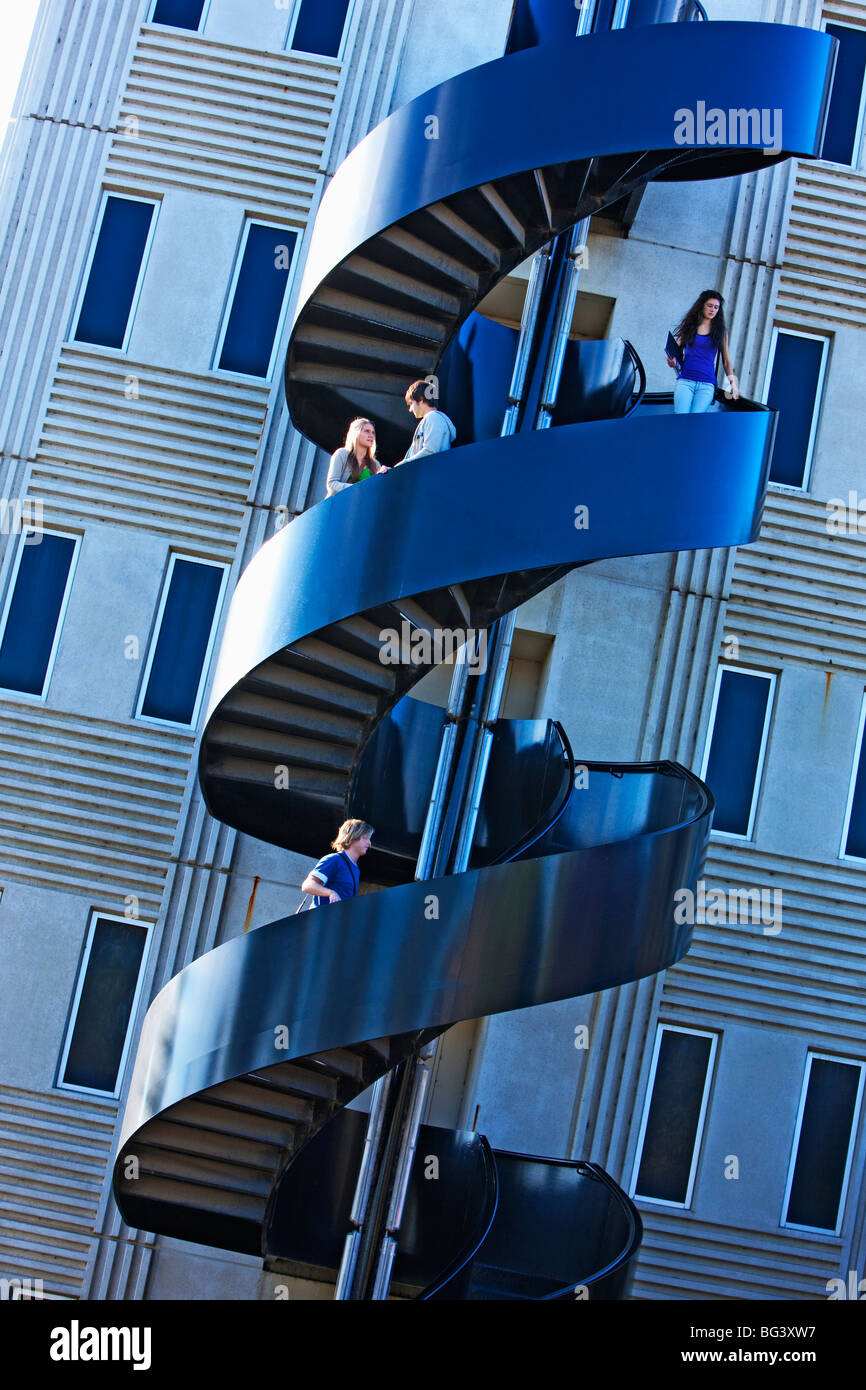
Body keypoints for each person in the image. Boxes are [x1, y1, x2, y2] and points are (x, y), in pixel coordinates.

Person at [666, 289, 739, 413]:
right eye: (709, 306)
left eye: (716, 307)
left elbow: (726, 361)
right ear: (702, 306)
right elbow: (676, 350)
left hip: (707, 385)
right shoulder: (689, 325)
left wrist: (733, 385)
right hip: (685, 381)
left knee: (695, 423)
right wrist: (673, 361)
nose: (712, 310)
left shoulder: (721, 331)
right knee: (680, 418)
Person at [299, 820, 374, 907]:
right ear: (353, 837)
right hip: (323, 919)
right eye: (365, 838)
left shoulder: (356, 869)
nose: (369, 843)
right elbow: (307, 885)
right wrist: (331, 893)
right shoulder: (334, 860)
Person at [395, 379, 456, 464]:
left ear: (420, 399)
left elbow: (431, 452)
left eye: (411, 403)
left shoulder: (434, 418)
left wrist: (400, 466)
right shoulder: (431, 419)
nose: (410, 409)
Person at [326, 419, 389, 495]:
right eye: (367, 431)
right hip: (340, 505)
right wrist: (357, 488)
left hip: (361, 506)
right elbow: (331, 484)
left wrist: (383, 476)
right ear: (356, 433)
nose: (371, 435)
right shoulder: (342, 454)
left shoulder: (375, 464)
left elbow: (376, 492)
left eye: (373, 433)